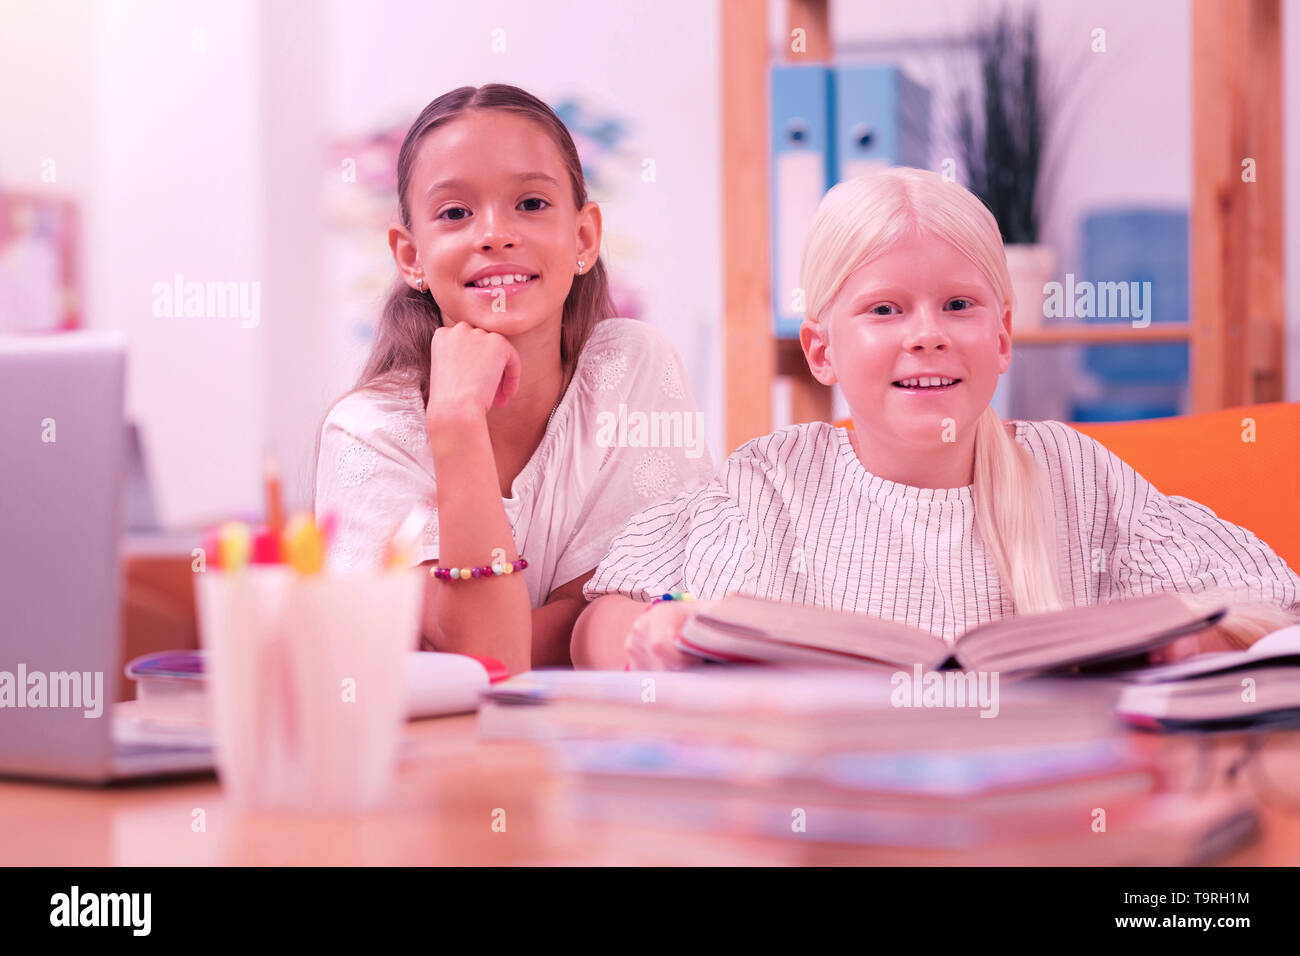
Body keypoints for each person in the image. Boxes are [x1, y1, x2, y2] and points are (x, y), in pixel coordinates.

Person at [571, 166, 1300, 670]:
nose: (927, 334)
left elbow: (1271, 602)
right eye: (885, 309)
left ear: (1004, 336)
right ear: (822, 351)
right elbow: (600, 624)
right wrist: (648, 636)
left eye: (958, 305)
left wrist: (1199, 646)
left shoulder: (1072, 470)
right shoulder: (769, 478)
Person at [315, 85, 711, 674]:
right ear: (410, 255)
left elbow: (623, 623)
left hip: (604, 744)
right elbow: (491, 662)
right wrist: (455, 424)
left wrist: (472, 633)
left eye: (530, 203)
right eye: (455, 213)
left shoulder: (632, 368)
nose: (495, 233)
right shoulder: (368, 430)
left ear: (583, 238)